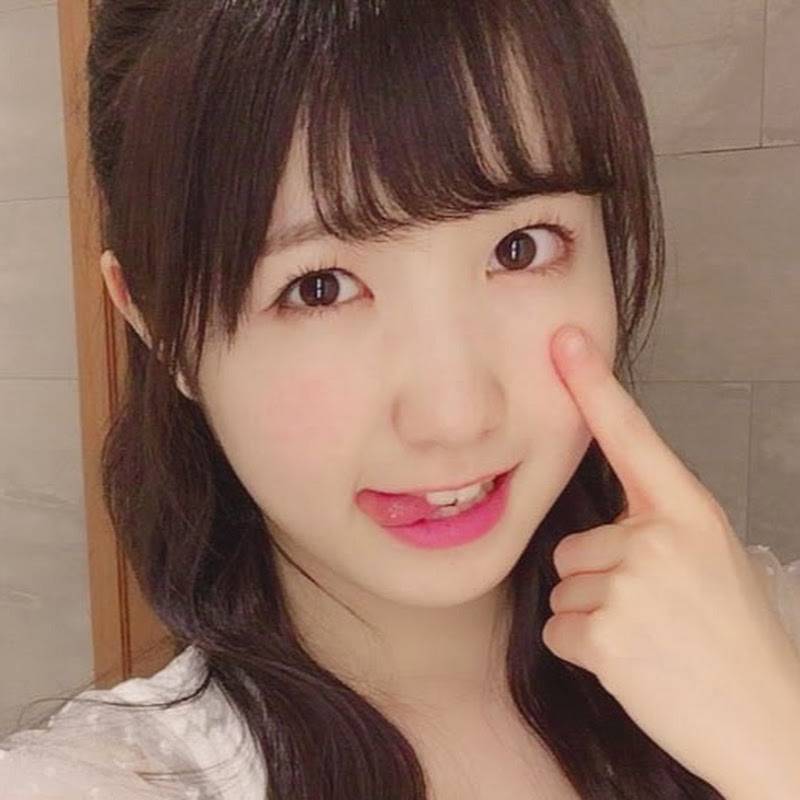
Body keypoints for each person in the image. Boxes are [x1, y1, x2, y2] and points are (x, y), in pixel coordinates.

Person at [2, 1, 799, 798]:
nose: (455, 416)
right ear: (158, 324)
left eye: (519, 248)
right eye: (318, 288)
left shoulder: (765, 639)